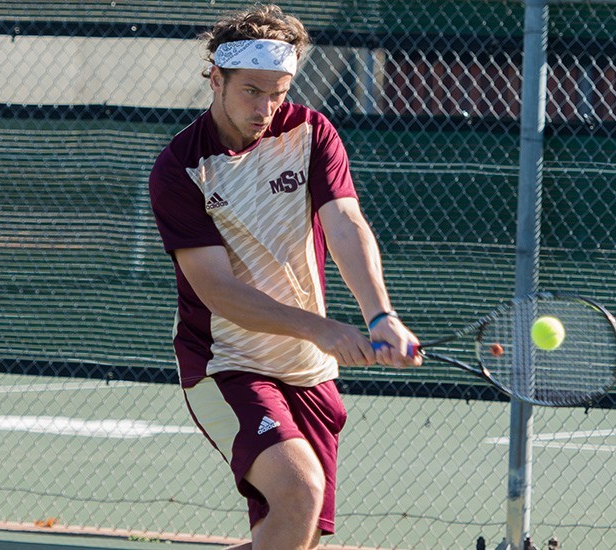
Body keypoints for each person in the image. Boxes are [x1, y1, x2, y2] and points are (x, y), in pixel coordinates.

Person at [148, 5, 420, 548]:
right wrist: (321, 328)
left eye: (279, 91)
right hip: (226, 366)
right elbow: (217, 290)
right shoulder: (180, 168)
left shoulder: (311, 132)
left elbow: (344, 223)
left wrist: (380, 315)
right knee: (299, 490)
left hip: (308, 371)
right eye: (251, 91)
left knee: (296, 532)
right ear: (216, 78)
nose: (266, 107)